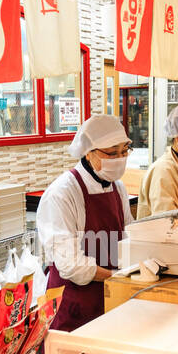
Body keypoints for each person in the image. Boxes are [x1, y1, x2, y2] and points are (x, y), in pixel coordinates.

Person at [37, 114, 132, 332]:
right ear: (89, 153)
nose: (120, 158)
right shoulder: (62, 193)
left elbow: (128, 236)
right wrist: (116, 277)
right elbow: (71, 265)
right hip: (72, 307)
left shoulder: (118, 187)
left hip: (111, 302)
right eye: (112, 153)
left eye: (124, 151)